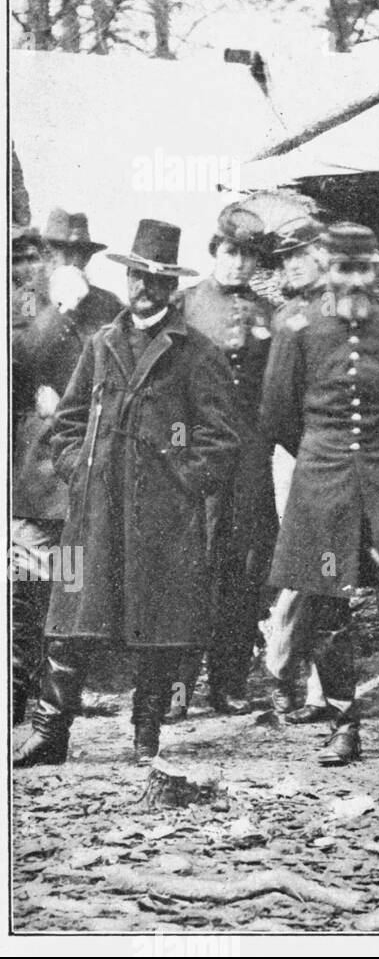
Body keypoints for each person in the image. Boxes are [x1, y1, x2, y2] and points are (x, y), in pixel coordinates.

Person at [15, 221, 240, 767]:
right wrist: (78, 468)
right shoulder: (101, 342)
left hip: (161, 515)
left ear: (170, 288)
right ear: (129, 277)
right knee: (70, 624)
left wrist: (181, 479)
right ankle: (50, 734)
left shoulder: (197, 353)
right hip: (92, 510)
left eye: (158, 280)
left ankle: (146, 739)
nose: (145, 289)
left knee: (157, 631)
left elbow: (220, 439)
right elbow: (66, 424)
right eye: (138, 276)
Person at [260, 222, 379, 768]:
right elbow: (277, 413)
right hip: (321, 483)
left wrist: (374, 455)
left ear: (375, 271)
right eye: (344, 269)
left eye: (363, 269)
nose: (354, 280)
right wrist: (326, 454)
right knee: (328, 603)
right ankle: (345, 727)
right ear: (327, 267)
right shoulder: (298, 329)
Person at [10, 212, 123, 722]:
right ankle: (16, 695)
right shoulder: (22, 309)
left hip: (83, 478)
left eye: (79, 255)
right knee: (26, 588)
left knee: (71, 588)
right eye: (58, 253)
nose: (69, 262)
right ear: (45, 256)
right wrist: (56, 316)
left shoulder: (110, 309)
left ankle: (60, 700)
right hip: (37, 481)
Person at [171, 203, 277, 717]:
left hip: (250, 456)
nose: (238, 264)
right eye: (231, 252)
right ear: (215, 251)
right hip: (197, 451)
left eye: (249, 257)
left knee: (242, 565)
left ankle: (229, 680)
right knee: (191, 561)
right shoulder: (185, 304)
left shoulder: (268, 315)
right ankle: (177, 683)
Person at [260, 214, 333, 723]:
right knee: (302, 567)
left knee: (336, 569)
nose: (290, 266)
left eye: (298, 254)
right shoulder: (286, 317)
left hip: (345, 457)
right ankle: (284, 672)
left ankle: (324, 689)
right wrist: (309, 452)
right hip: (298, 456)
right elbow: (276, 408)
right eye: (284, 258)